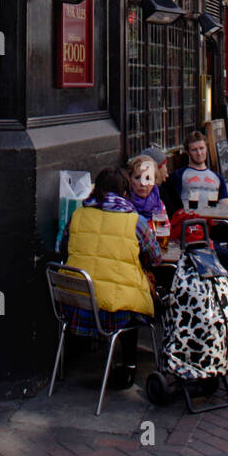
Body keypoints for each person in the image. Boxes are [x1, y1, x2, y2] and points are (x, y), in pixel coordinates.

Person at [62, 167, 161, 389]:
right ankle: (129, 367)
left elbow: (63, 247)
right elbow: (155, 257)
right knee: (133, 301)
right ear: (124, 192)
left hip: (76, 306)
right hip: (113, 313)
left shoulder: (77, 215)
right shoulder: (134, 221)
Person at [164, 130, 228, 290]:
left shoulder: (217, 177)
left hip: (216, 225)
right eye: (195, 149)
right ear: (188, 152)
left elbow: (225, 205)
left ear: (207, 149)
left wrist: (220, 214)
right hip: (193, 227)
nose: (199, 153)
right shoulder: (179, 175)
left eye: (202, 148)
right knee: (221, 252)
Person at [126, 153, 170, 239]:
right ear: (130, 179)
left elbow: (166, 230)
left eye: (147, 178)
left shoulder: (158, 203)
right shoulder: (124, 205)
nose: (143, 183)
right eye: (138, 177)